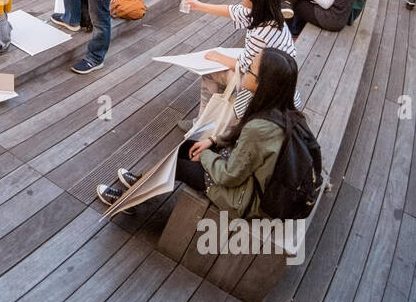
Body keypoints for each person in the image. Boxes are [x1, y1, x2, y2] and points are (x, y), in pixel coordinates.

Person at [102, 48, 307, 218]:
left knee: (178, 166)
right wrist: (212, 140)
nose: (243, 69)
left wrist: (207, 155)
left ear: (263, 83)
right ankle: (139, 184)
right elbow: (246, 147)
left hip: (247, 197)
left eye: (250, 69)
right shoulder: (283, 111)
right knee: (185, 148)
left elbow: (229, 176)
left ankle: (127, 200)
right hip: (252, 176)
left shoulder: (260, 127)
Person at [186, 0, 303, 121]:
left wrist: (217, 56)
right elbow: (232, 11)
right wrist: (199, 6)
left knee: (211, 72)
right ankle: (216, 113)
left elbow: (244, 68)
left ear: (256, 1)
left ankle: (202, 122)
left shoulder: (261, 34)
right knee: (222, 68)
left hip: (265, 92)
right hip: (280, 84)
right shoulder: (269, 14)